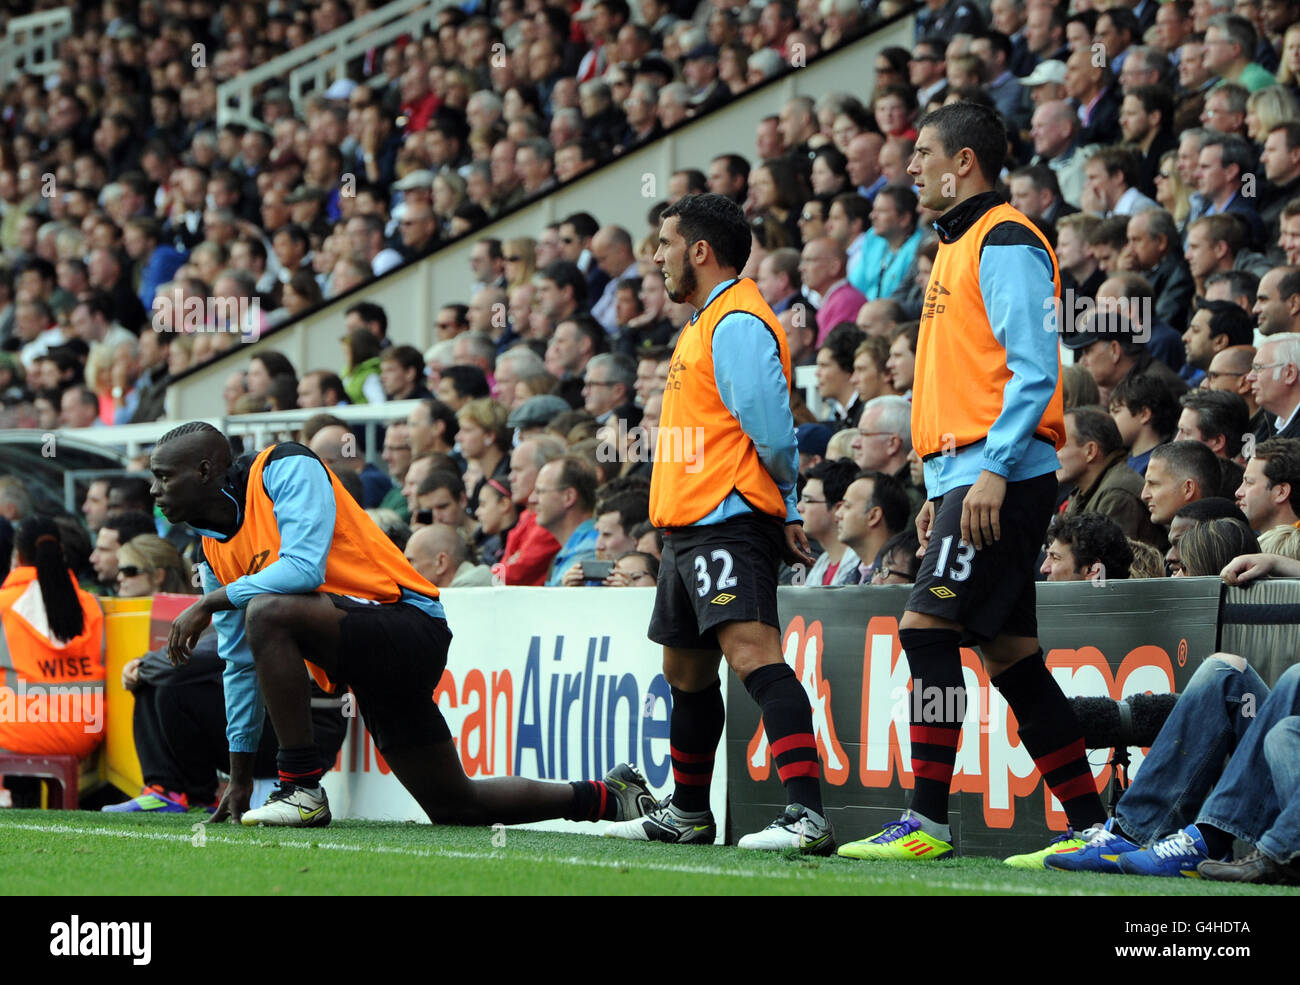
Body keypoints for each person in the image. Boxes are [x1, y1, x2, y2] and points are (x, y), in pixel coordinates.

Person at [837, 103, 1108, 867]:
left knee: (926, 631)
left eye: (923, 152)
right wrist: (942, 486)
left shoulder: (1006, 239)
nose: (911, 166)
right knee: (1013, 656)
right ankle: (1095, 826)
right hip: (972, 474)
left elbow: (1035, 369)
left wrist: (989, 470)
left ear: (964, 163)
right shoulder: (957, 246)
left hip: (1003, 473)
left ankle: (926, 819)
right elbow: (967, 386)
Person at [150, 422, 653, 828]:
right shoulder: (211, 547)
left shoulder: (284, 466)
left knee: (267, 609)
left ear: (204, 470)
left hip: (407, 622)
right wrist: (239, 777)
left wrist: (210, 601)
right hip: (364, 655)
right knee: (457, 806)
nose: (154, 491)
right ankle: (610, 797)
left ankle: (300, 786)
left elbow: (303, 569)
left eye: (163, 477)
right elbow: (240, 664)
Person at [603, 193, 833, 854]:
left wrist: (784, 502)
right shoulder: (705, 321)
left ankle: (808, 815)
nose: (656, 257)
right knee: (685, 672)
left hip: (727, 518)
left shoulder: (736, 320)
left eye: (665, 244)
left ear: (700, 251)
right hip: (687, 525)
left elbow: (773, 431)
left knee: (754, 656)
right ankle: (690, 812)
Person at [0, 516, 105, 761]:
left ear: (17, 556)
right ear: (60, 552)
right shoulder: (92, 605)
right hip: (86, 735)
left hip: (16, 733)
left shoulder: (4, 604)